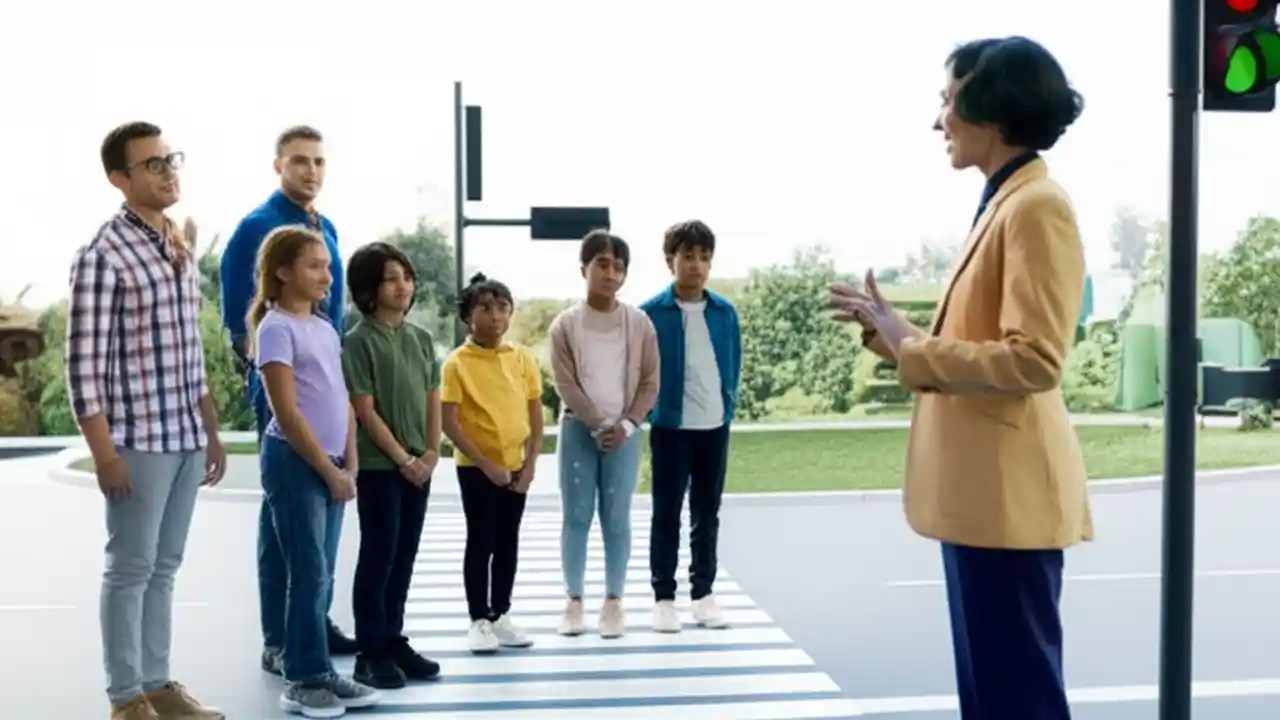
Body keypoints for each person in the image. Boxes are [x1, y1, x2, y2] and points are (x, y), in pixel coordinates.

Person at [830, 36, 1089, 720]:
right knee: (995, 698)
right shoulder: (1007, 199)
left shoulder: (1037, 207)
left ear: (990, 108)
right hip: (985, 503)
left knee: (1015, 700)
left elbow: (1033, 360)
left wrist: (914, 349)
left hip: (1007, 504)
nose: (938, 119)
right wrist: (897, 335)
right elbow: (976, 348)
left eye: (946, 100)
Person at [67, 121, 227, 720]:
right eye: (152, 164)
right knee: (130, 568)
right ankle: (125, 699)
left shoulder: (176, 248)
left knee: (165, 567)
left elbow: (190, 353)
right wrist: (106, 455)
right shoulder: (103, 255)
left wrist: (210, 431)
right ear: (120, 178)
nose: (167, 171)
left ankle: (158, 686)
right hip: (137, 440)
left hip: (185, 435)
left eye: (170, 159)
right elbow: (82, 368)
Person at [218, 125, 356, 671]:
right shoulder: (257, 227)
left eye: (320, 162)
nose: (311, 171)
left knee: (326, 511)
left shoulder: (327, 226)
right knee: (286, 520)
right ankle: (280, 638)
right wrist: (272, 381)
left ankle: (313, 623)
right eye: (300, 161)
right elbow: (239, 321)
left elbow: (332, 308)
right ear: (278, 166)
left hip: (327, 380)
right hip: (283, 389)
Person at [250, 226, 380, 717]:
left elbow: (341, 399)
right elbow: (286, 412)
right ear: (283, 273)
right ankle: (304, 678)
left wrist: (349, 459)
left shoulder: (325, 328)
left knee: (321, 573)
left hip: (332, 463)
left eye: (327, 265)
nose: (327, 274)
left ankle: (319, 668)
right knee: (307, 572)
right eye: (314, 266)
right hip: (295, 463)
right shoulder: (276, 328)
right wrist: (327, 470)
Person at [341, 241, 443, 688]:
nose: (402, 285)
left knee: (405, 555)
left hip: (420, 466)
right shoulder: (357, 340)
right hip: (382, 466)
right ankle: (370, 649)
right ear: (368, 287)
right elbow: (364, 409)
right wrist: (403, 458)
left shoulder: (421, 339)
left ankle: (393, 637)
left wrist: (432, 453)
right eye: (390, 278)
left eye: (406, 276)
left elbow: (432, 398)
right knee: (379, 554)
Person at [548, 230, 660, 638]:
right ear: (584, 268)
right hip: (579, 429)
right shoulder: (565, 326)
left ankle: (614, 601)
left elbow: (650, 382)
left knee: (617, 518)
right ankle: (573, 600)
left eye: (618, 267)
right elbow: (565, 384)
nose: (610, 273)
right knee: (576, 516)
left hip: (625, 435)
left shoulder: (640, 324)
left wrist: (627, 424)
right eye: (602, 264)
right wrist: (597, 423)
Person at [639, 220, 741, 633]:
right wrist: (650, 412)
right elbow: (641, 369)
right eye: (687, 256)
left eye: (703, 257)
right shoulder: (650, 313)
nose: (696, 265)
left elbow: (733, 361)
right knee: (666, 513)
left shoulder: (724, 312)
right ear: (670, 261)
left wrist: (728, 404)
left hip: (714, 426)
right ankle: (664, 597)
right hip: (670, 427)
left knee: (707, 511)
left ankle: (704, 594)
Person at [440, 273, 543, 654]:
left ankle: (501, 614)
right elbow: (449, 420)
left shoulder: (522, 358)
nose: (495, 315)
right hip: (476, 468)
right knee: (481, 540)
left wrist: (530, 463)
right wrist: (486, 464)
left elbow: (535, 414)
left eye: (502, 307)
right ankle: (478, 619)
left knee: (508, 541)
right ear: (468, 316)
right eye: (485, 307)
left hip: (516, 464)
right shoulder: (457, 363)